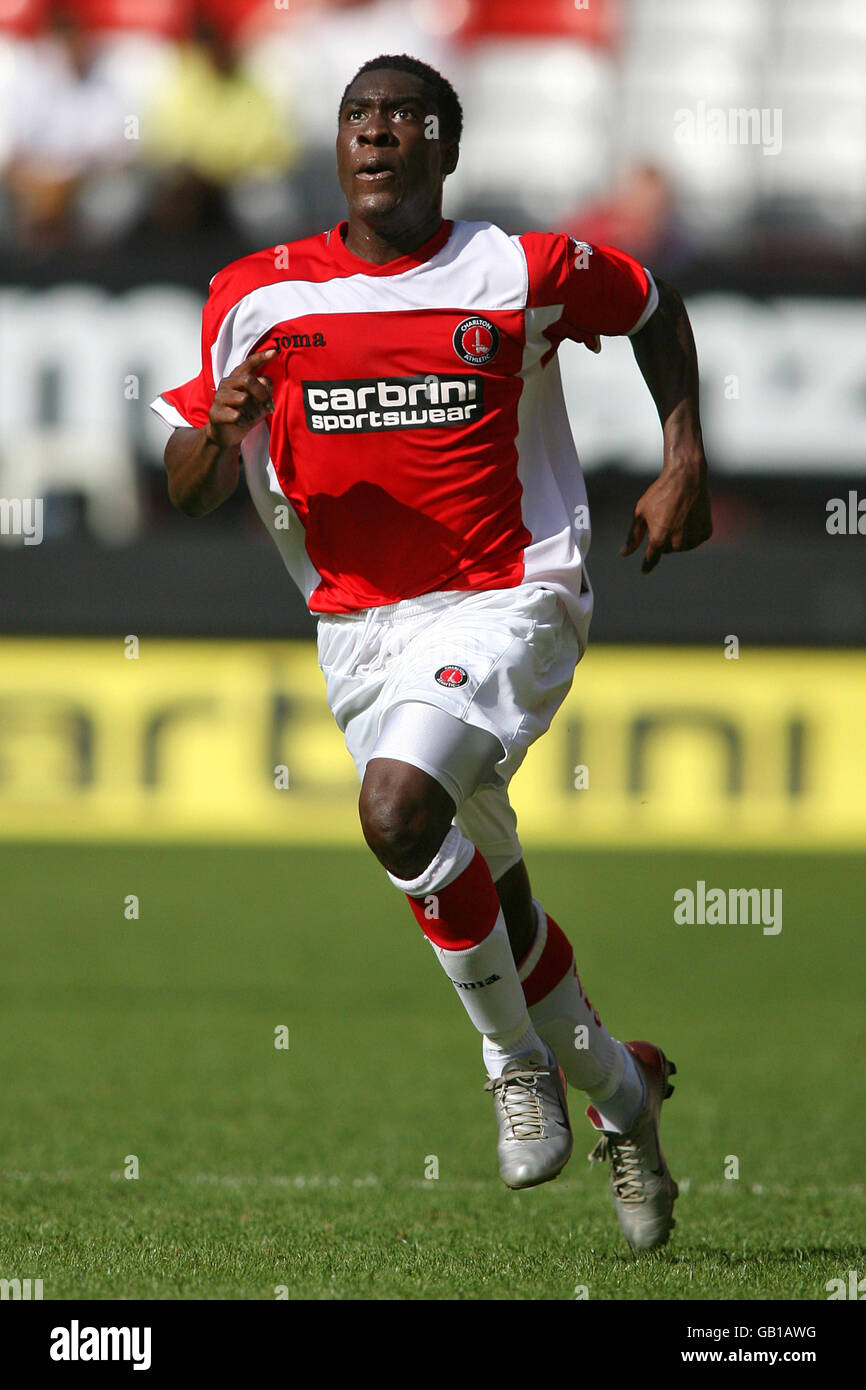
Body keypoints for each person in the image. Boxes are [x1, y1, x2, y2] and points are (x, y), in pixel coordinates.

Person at [151, 53, 712, 1251]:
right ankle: (623, 1088)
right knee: (493, 911)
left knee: (397, 811)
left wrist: (681, 458)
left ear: (443, 149)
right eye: (359, 115)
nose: (378, 133)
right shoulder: (253, 294)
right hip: (359, 633)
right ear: (339, 144)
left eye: (406, 118)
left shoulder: (517, 268)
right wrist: (221, 423)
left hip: (509, 596)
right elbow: (190, 486)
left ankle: (511, 1064)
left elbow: (655, 304)